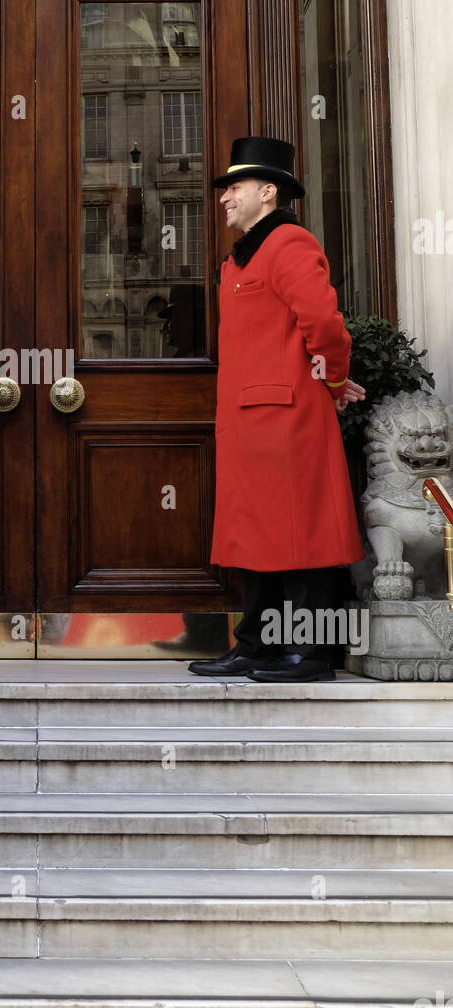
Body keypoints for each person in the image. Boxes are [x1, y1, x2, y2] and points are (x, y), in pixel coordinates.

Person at [189, 137, 365, 683]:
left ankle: (310, 655)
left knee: (303, 535)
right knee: (254, 536)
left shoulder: (289, 242)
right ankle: (257, 647)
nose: (224, 198)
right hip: (249, 421)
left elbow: (326, 326)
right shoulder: (239, 258)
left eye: (234, 187)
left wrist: (334, 378)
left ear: (267, 192)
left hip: (288, 418)